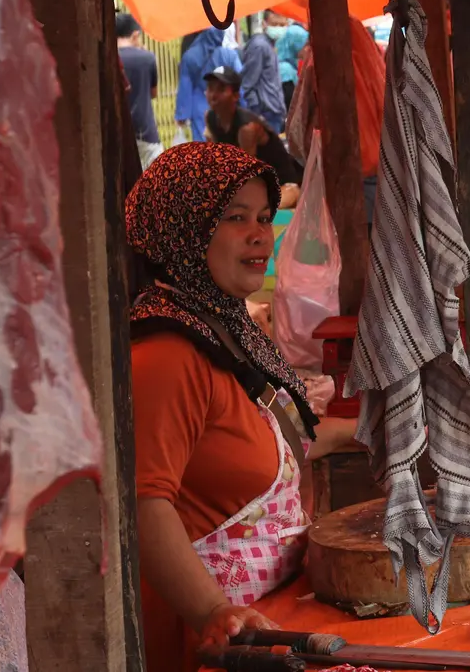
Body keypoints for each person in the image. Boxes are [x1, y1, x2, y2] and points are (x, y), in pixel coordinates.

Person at [128, 143, 360, 672]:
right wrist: (212, 610)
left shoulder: (225, 330)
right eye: (235, 219)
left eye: (262, 217)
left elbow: (276, 442)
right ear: (183, 230)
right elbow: (144, 504)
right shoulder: (166, 354)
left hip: (272, 619)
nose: (261, 234)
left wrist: (364, 429)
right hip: (211, 641)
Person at [203, 67, 300, 186]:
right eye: (210, 88)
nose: (213, 95)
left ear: (236, 96)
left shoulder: (247, 128)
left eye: (221, 89)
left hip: (282, 185)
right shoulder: (210, 117)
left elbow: (247, 176)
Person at [175, 28, 242, 142]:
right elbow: (240, 80)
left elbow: (185, 88)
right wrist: (243, 104)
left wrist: (181, 115)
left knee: (203, 144)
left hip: (199, 106)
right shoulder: (229, 55)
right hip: (225, 104)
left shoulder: (190, 56)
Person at [116, 13, 163, 169]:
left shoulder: (110, 58)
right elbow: (153, 93)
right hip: (146, 133)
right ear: (135, 35)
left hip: (118, 133)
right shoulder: (147, 58)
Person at [241, 11, 289, 134]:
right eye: (274, 24)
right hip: (265, 114)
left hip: (274, 112)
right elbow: (247, 84)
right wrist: (256, 113)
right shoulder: (259, 46)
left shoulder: (270, 45)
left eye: (282, 25)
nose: (278, 29)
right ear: (264, 24)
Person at [273, 17, 310, 110]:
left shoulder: (286, 64)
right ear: (294, 44)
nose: (307, 50)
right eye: (305, 45)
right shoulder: (285, 70)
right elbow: (289, 102)